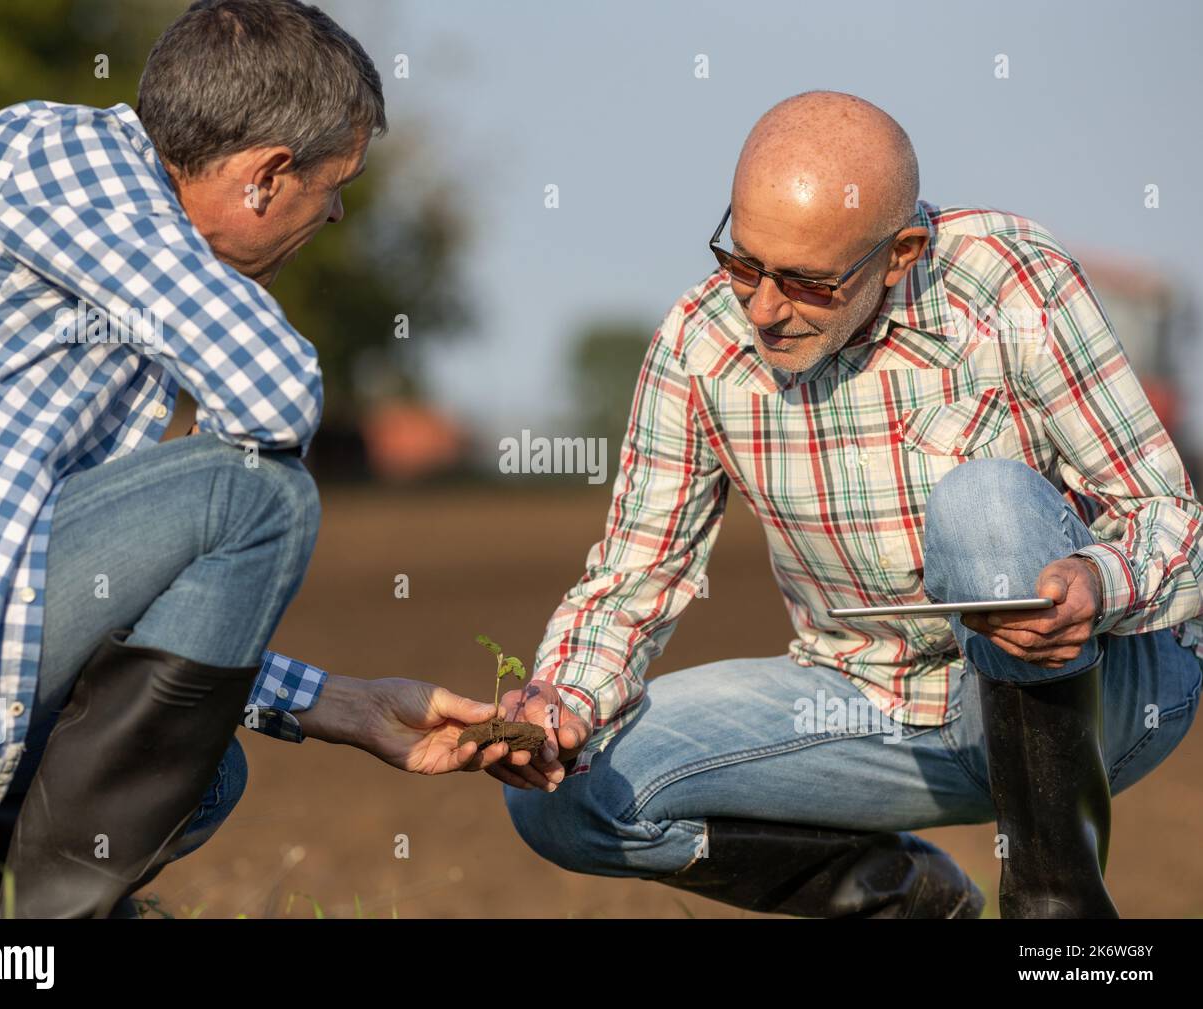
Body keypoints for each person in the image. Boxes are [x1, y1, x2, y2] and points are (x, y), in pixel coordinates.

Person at [493, 90, 1203, 918]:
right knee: (562, 797)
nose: (761, 305)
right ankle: (906, 899)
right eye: (742, 261)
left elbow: (1174, 521)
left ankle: (1058, 923)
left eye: (805, 281)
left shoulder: (1010, 284)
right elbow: (633, 576)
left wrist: (1095, 580)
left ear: (898, 254)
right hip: (868, 702)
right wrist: (559, 702)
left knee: (984, 506)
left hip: (1094, 704)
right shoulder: (700, 343)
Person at [0, 0, 509, 919]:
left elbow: (75, 596)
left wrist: (336, 702)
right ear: (267, 176)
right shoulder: (60, 166)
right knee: (261, 494)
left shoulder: (104, 243)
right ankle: (43, 939)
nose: (338, 212)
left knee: (200, 768)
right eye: (334, 184)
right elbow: (274, 393)